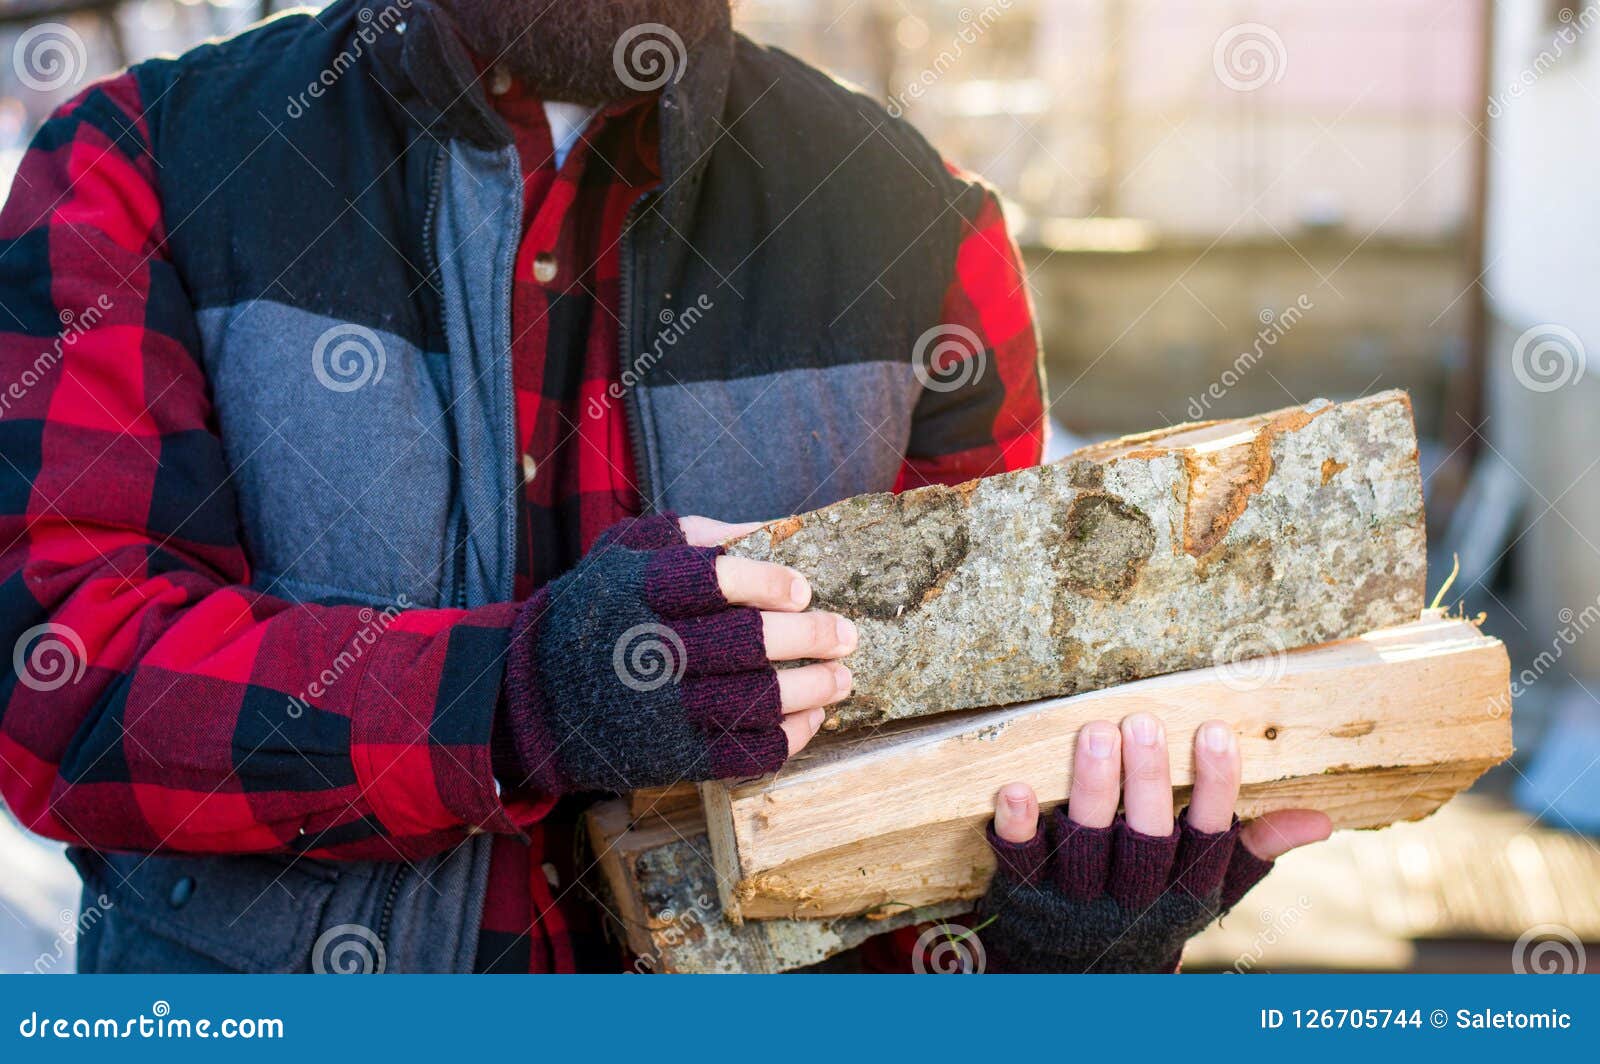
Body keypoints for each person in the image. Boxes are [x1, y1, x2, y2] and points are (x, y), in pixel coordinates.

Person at [0, 0, 1328, 973]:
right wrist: (515, 700)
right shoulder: (149, 166)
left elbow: (971, 764)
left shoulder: (921, 229)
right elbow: (57, 680)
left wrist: (1062, 941)